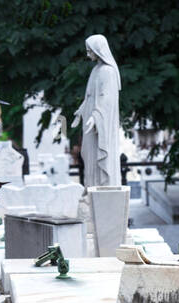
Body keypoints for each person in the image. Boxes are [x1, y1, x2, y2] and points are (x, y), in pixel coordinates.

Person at [71, 35, 121, 188]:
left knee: (97, 155)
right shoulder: (95, 71)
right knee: (88, 154)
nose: (88, 54)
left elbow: (107, 99)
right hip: (90, 120)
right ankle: (91, 188)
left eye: (90, 51)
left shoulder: (108, 72)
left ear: (98, 50)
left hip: (99, 122)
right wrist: (81, 111)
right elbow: (89, 97)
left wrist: (96, 116)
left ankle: (102, 186)